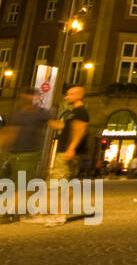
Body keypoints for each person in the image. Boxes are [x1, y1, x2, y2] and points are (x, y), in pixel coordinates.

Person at [0, 91, 53, 222]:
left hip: (30, 152)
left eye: (30, 96)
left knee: (22, 184)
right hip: (13, 153)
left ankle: (12, 212)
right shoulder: (16, 114)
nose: (27, 99)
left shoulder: (41, 113)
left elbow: (54, 123)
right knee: (12, 183)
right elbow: (10, 131)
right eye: (25, 96)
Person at [46, 84, 90, 224]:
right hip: (67, 149)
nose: (67, 97)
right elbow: (65, 127)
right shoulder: (74, 112)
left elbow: (80, 131)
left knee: (58, 184)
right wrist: (49, 122)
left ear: (79, 95)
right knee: (67, 183)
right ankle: (60, 213)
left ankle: (59, 214)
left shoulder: (81, 112)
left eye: (71, 94)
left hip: (67, 151)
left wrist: (71, 148)